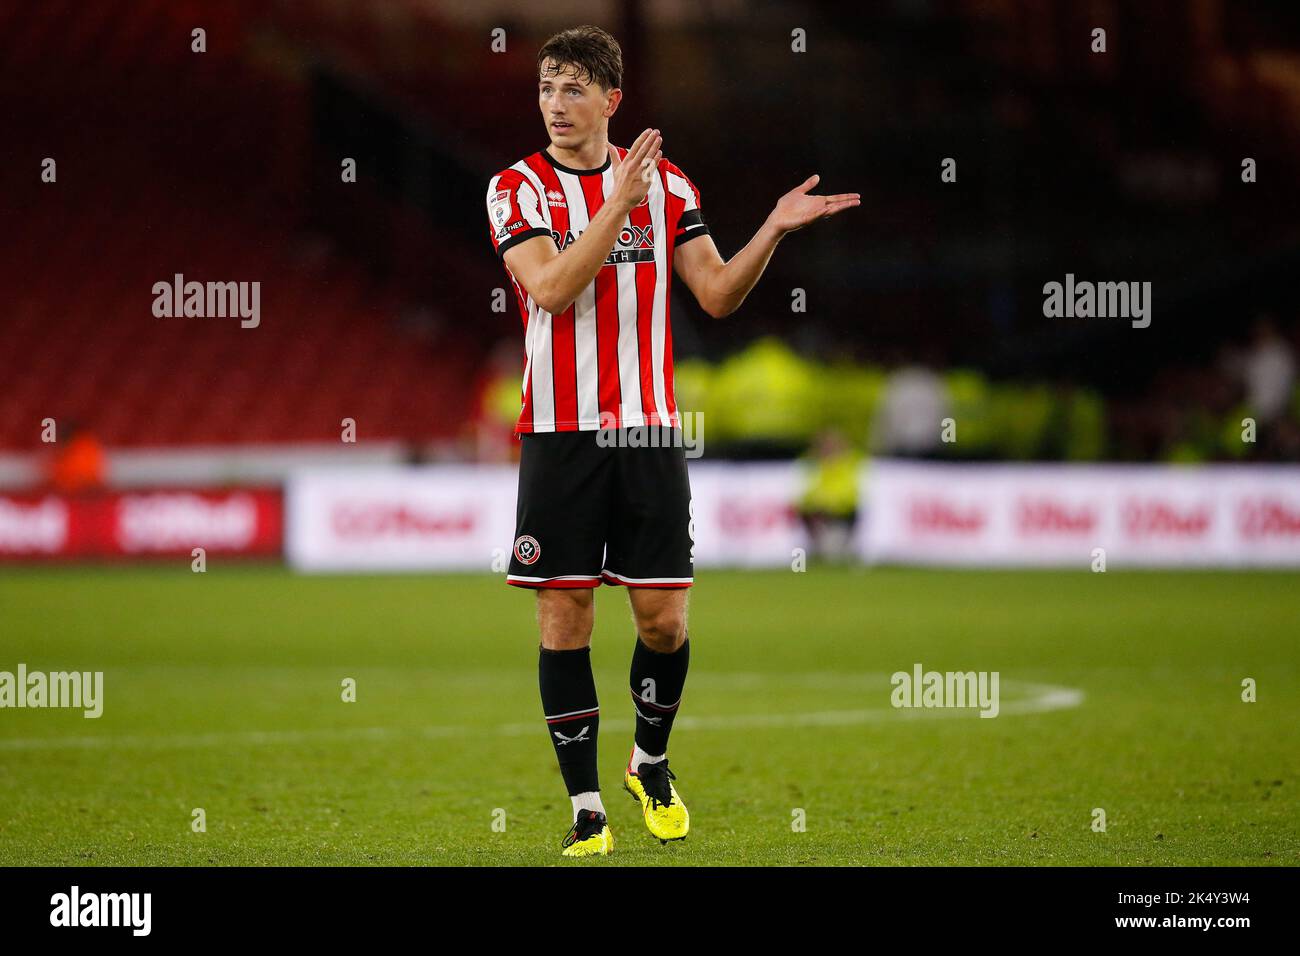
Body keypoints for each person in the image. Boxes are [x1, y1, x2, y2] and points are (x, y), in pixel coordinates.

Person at [484, 25, 860, 857]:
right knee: (565, 620)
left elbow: (718, 294)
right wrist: (617, 203)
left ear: (612, 101)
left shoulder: (671, 187)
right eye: (547, 86)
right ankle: (586, 807)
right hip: (561, 431)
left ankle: (648, 763)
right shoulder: (515, 188)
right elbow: (547, 287)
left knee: (663, 621)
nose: (556, 103)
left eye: (575, 88)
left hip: (648, 432)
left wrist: (771, 228)